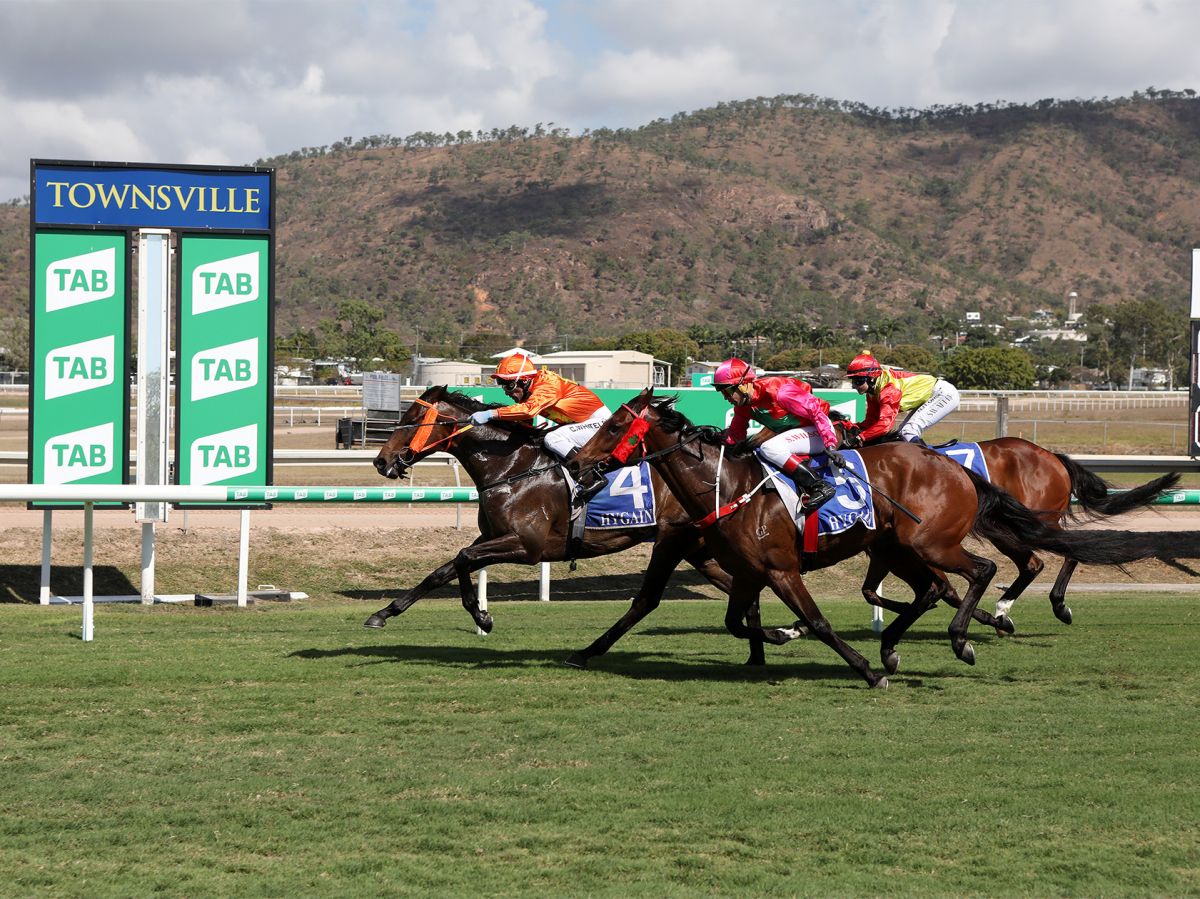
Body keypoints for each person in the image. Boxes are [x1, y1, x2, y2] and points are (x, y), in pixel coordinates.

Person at [470, 352, 613, 505]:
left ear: (524, 381)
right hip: (582, 424)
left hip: (601, 424)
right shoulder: (533, 389)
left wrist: (492, 414)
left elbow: (528, 410)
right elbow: (526, 419)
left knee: (553, 438)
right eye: (502, 385)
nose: (506, 391)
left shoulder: (547, 385)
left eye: (509, 385)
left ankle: (590, 477)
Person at [713, 358, 845, 512]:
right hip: (795, 434)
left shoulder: (781, 393)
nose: (725, 397)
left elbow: (817, 413)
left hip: (819, 431)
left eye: (728, 391)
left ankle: (820, 486)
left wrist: (830, 444)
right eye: (722, 392)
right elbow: (734, 438)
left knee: (769, 447)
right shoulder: (743, 406)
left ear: (745, 384)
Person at [844, 352, 960, 446]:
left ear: (872, 379)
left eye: (858, 381)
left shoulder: (889, 390)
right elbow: (872, 421)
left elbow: (885, 426)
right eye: (853, 381)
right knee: (902, 433)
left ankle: (930, 463)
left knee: (908, 431)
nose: (854, 385)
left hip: (943, 394)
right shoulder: (872, 392)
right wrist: (849, 426)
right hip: (929, 396)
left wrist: (861, 437)